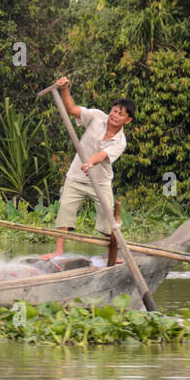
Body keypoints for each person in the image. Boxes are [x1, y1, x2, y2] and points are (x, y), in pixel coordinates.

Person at [41, 77, 135, 264]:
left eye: (121, 114)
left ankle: (112, 254)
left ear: (128, 120)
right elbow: (72, 110)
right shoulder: (96, 117)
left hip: (100, 182)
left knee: (109, 219)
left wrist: (90, 162)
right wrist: (65, 90)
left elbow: (101, 156)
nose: (115, 115)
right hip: (76, 176)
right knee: (65, 212)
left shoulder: (120, 142)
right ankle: (58, 251)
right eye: (114, 111)